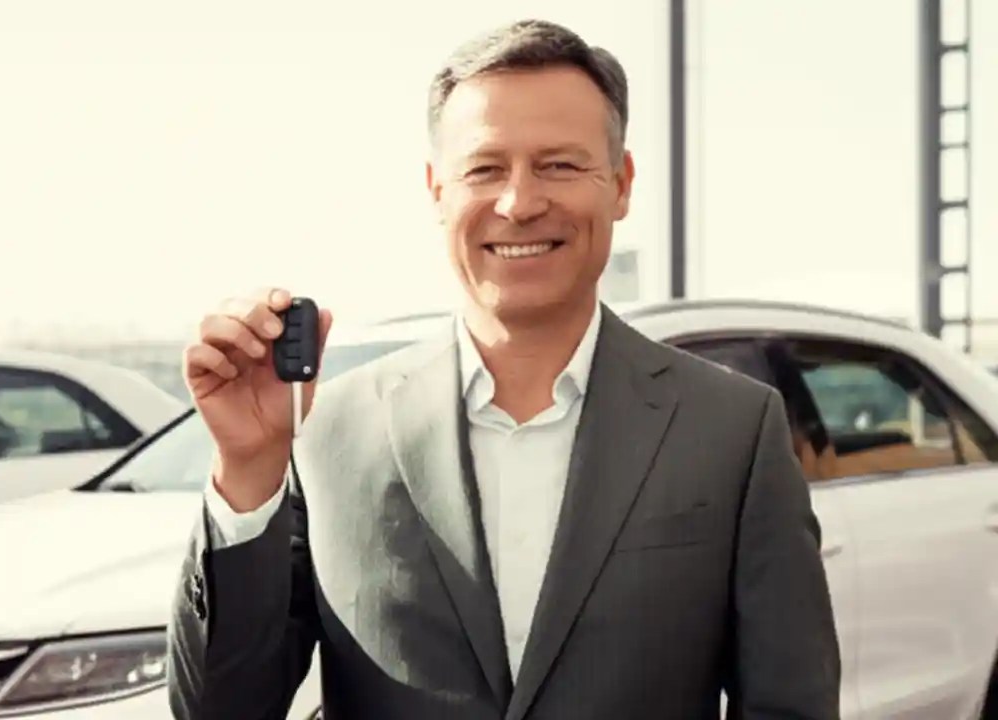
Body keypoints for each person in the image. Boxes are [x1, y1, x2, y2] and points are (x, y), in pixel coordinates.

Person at [167, 18, 840, 720]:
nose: (519, 203)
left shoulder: (732, 429)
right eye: (485, 169)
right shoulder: (331, 431)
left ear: (620, 183)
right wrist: (248, 471)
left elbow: (790, 706)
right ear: (436, 192)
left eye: (558, 165)